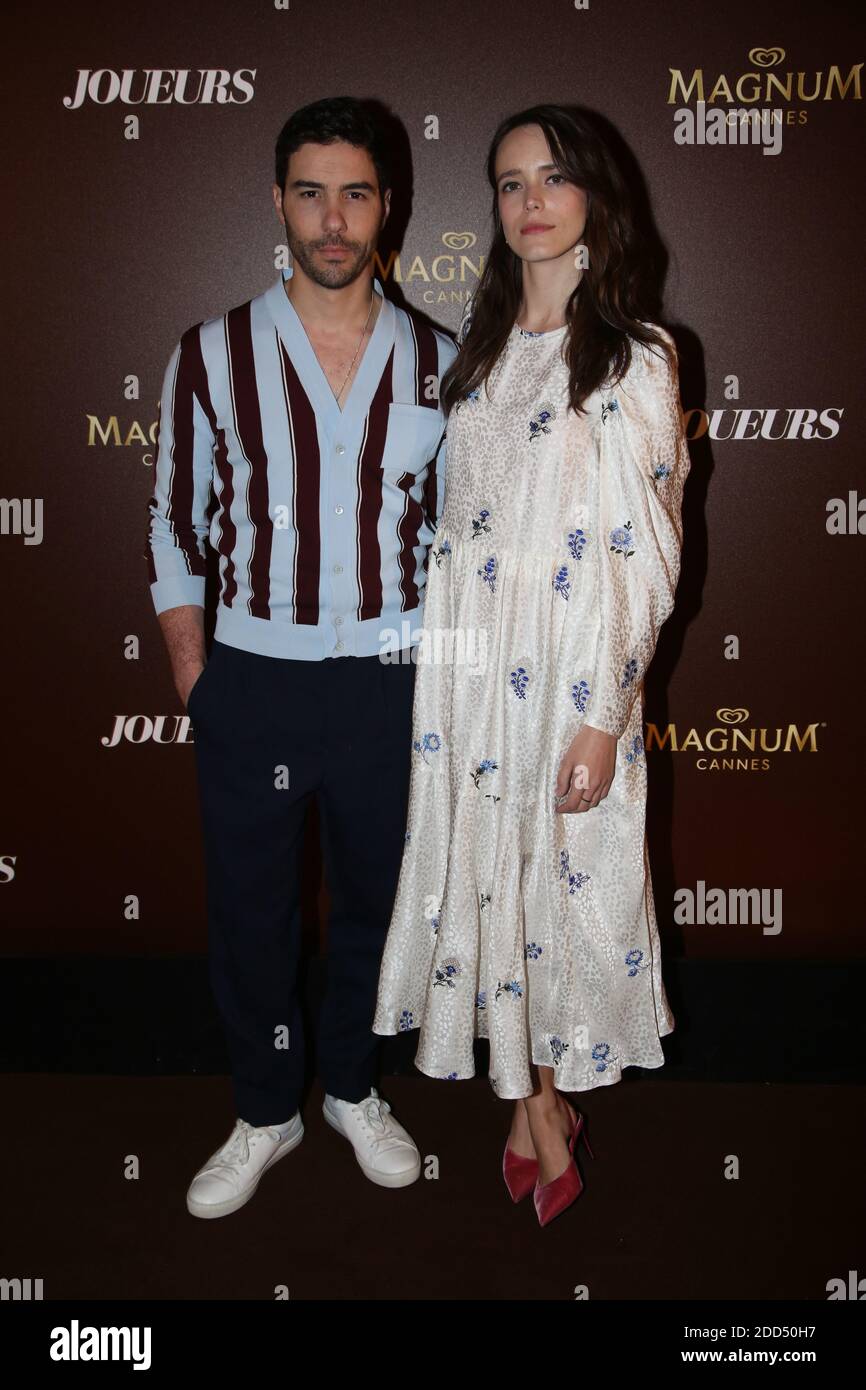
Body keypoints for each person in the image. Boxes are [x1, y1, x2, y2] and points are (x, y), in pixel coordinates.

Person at [373, 104, 690, 1227]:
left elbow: (648, 558)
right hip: (468, 677)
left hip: (566, 675)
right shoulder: (483, 350)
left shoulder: (638, 358)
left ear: (596, 195)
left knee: (558, 887)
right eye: (508, 183)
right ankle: (535, 1104)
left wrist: (605, 710)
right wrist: (439, 684)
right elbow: (456, 535)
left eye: (552, 178)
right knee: (493, 881)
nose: (529, 202)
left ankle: (540, 1105)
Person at [145, 96, 457, 1219]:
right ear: (277, 201)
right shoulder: (211, 353)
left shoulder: (440, 362)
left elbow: (461, 541)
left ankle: (352, 1090)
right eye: (312, 192)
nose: (334, 219)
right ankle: (267, 1106)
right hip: (254, 680)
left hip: (389, 682)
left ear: (388, 207)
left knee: (377, 904)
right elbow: (174, 523)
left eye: (357, 192)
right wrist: (197, 671)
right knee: (252, 910)